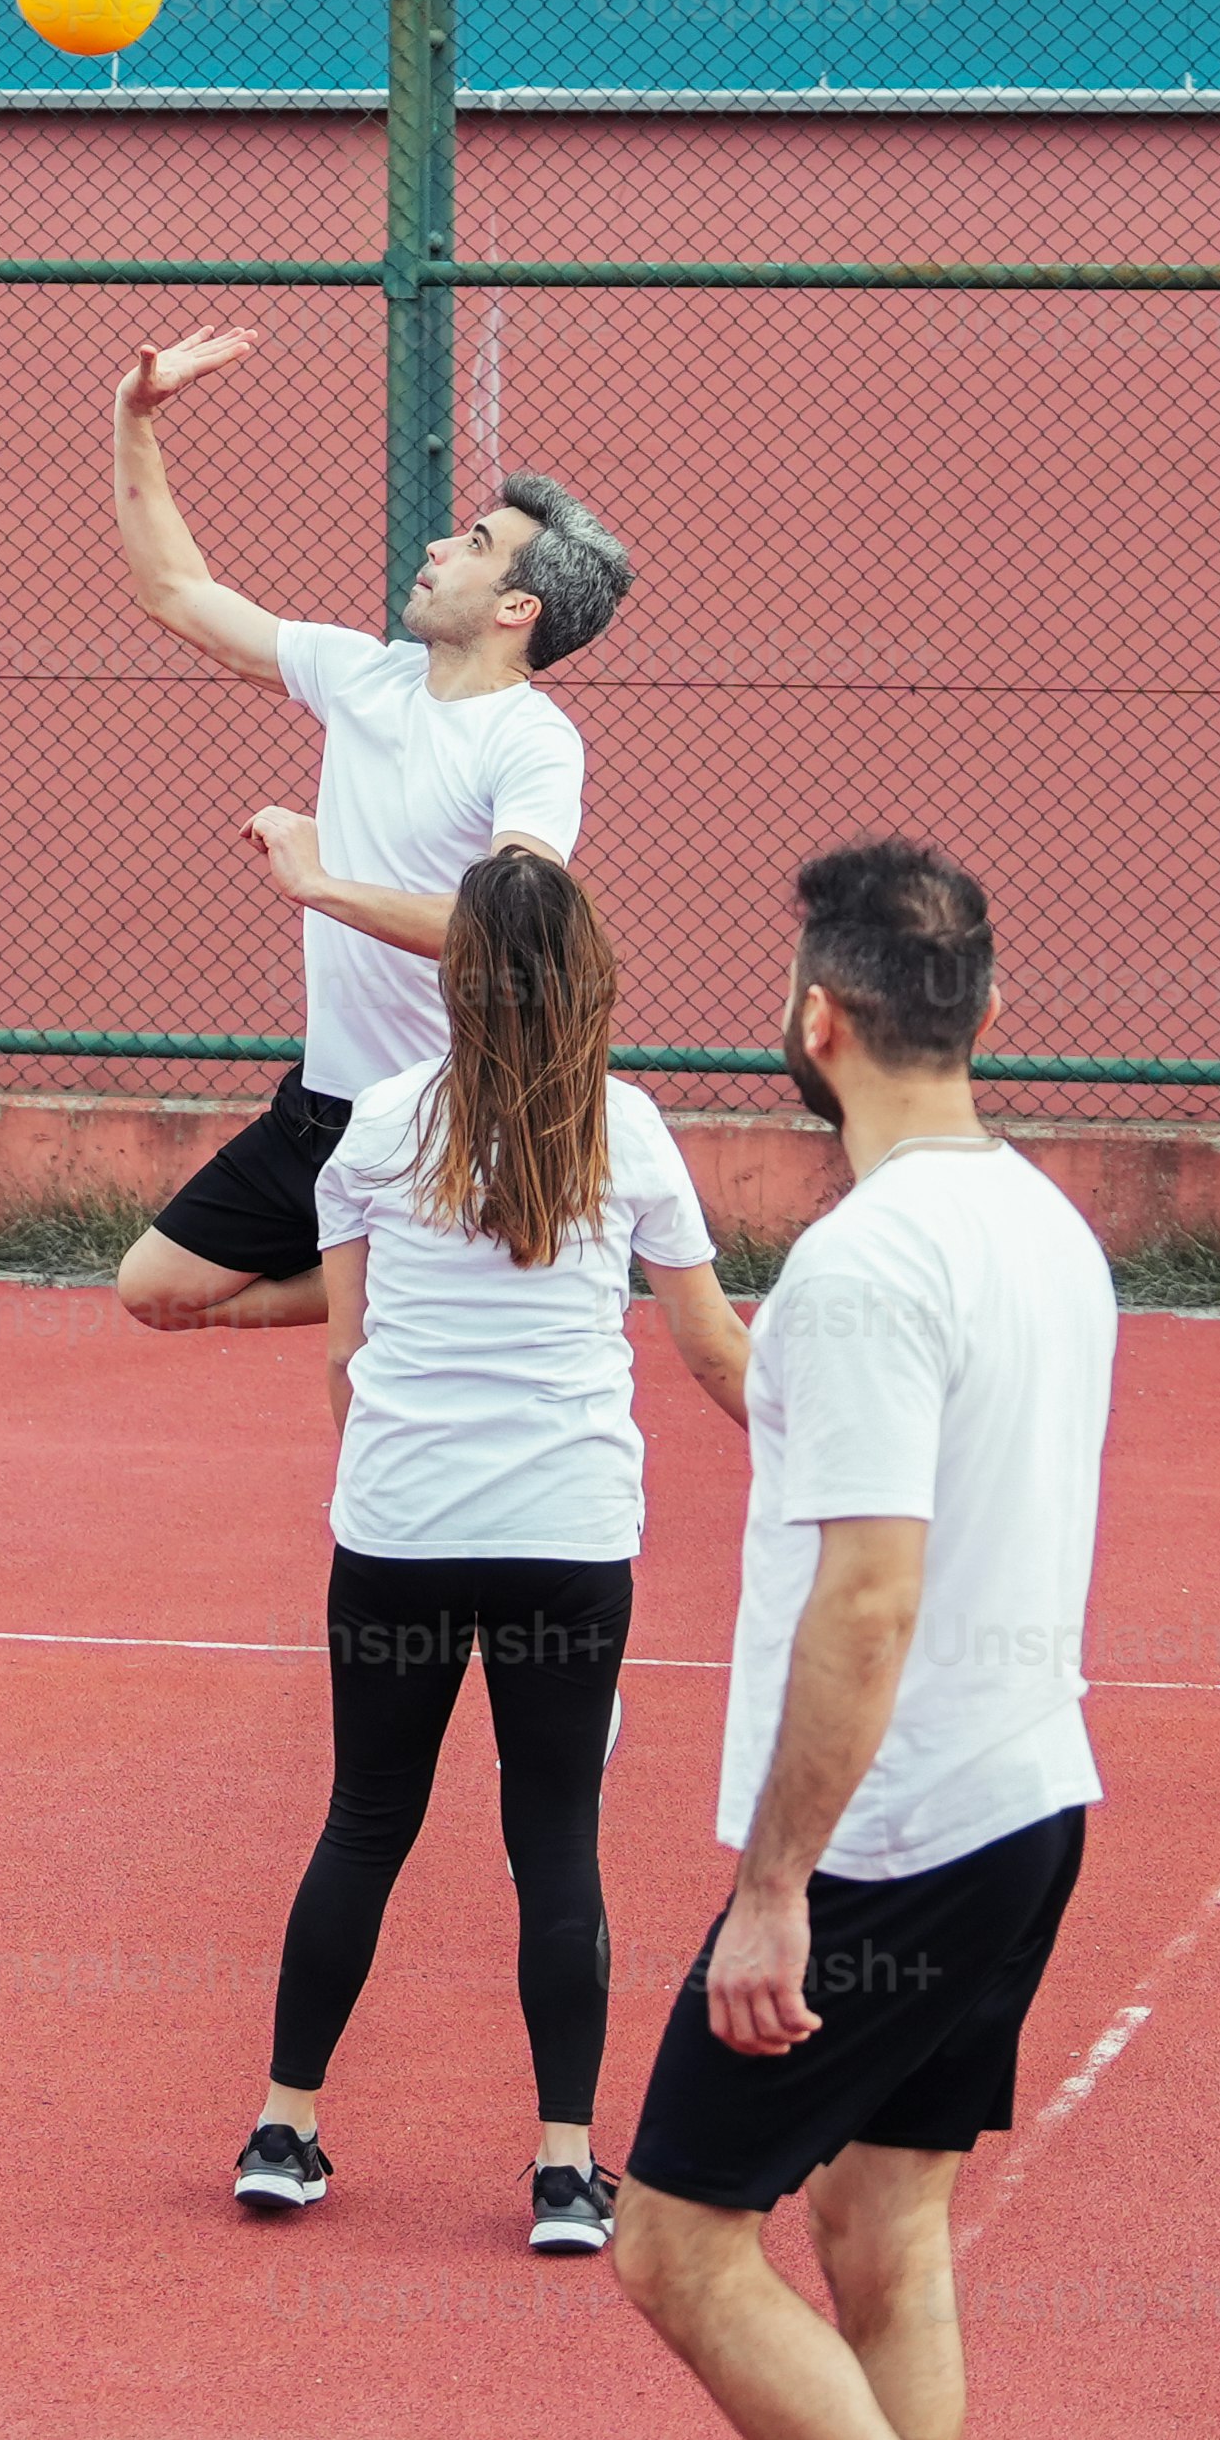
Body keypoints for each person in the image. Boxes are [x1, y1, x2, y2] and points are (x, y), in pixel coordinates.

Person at [611, 844, 1122, 2440]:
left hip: (895, 1842)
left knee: (675, 2245)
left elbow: (870, 1602)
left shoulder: (861, 1263)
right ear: (983, 1017)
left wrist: (776, 1889)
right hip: (1029, 1797)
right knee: (880, 2241)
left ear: (816, 1024)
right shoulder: (1044, 1228)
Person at [238, 849, 755, 2257]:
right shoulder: (629, 1128)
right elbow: (712, 1346)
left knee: (363, 1821)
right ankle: (565, 2170)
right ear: (588, 977)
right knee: (553, 1841)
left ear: (451, 977)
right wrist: (841, 1452)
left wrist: (394, 1471)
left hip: (398, 1529)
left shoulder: (382, 1126)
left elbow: (348, 1355)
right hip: (565, 1535)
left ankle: (283, 2129)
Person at [102, 326, 630, 1336]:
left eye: (474, 544)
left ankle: (403, 1292)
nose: (439, 548)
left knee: (368, 1377)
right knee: (155, 1290)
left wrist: (318, 884)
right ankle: (399, 1283)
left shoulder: (534, 744)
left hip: (454, 1114)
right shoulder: (367, 677)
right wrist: (135, 420)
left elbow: (516, 926)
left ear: (518, 605)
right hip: (326, 1105)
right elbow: (176, 593)